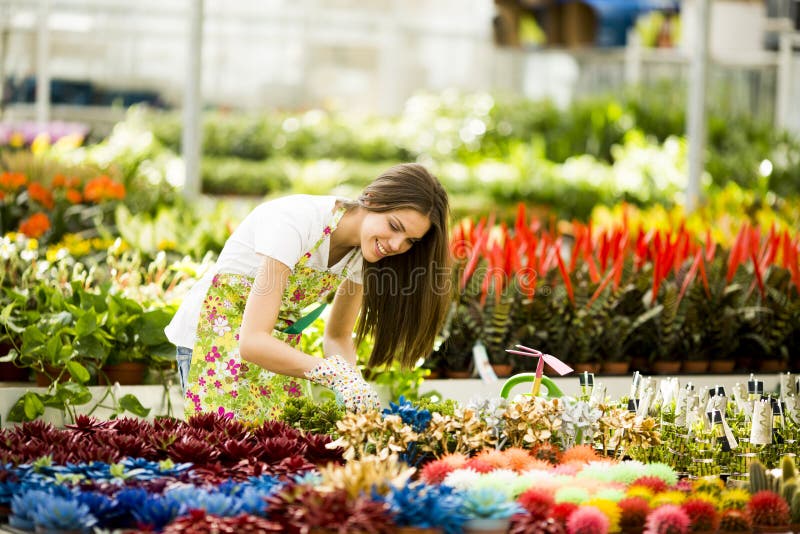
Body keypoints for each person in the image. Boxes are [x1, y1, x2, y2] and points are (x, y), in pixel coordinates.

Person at [165, 163, 451, 423]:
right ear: (372, 199)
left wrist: (353, 384)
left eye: (410, 241)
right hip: (213, 337)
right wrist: (334, 375)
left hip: (275, 345)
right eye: (394, 226)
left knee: (280, 456)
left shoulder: (365, 254)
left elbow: (337, 337)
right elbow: (251, 342)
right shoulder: (296, 222)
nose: (397, 245)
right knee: (221, 457)